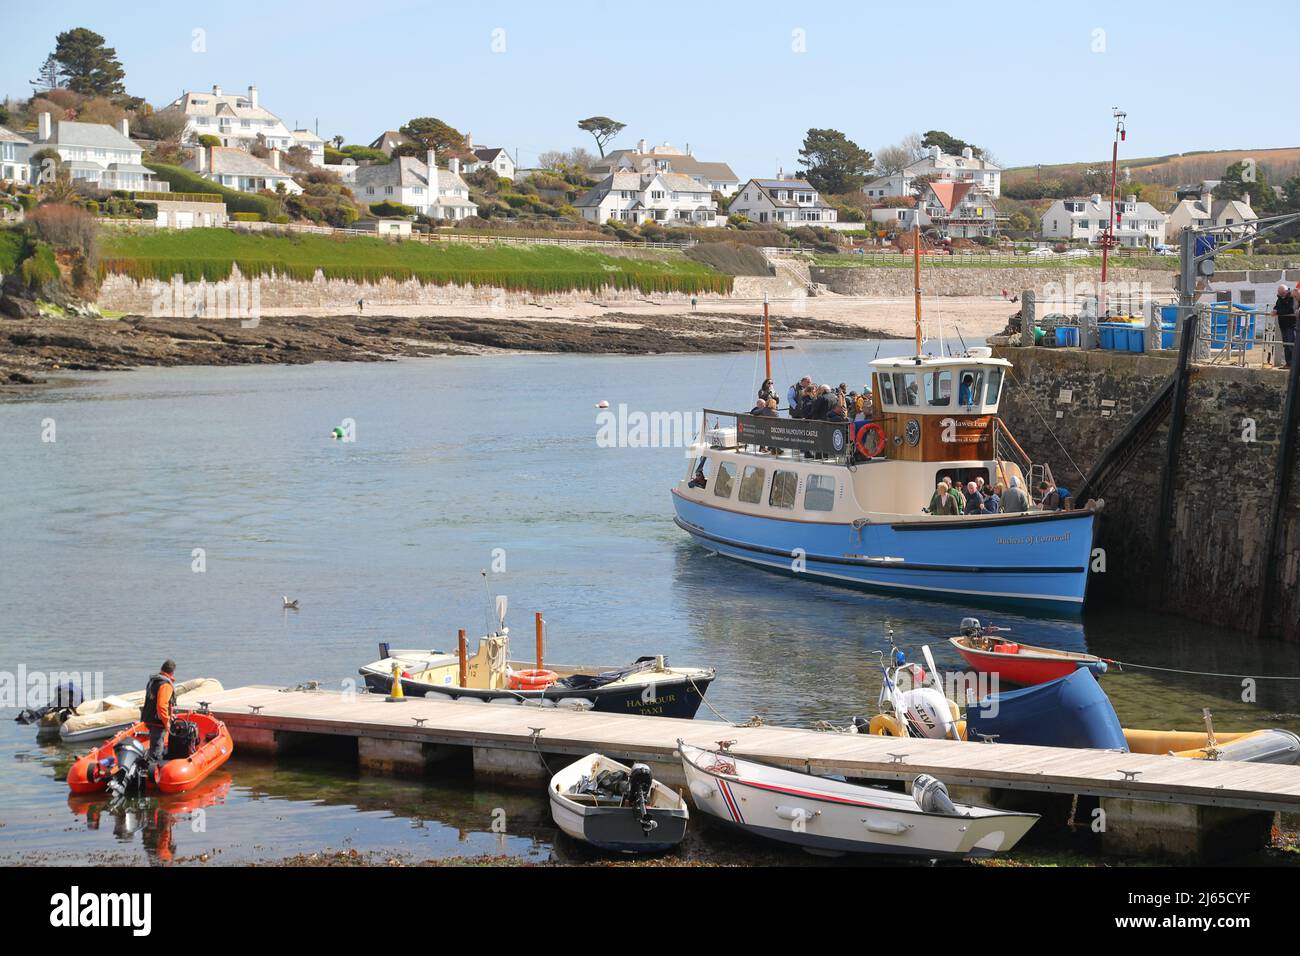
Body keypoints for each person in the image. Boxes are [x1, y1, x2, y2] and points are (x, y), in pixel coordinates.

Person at [142, 660, 177, 768]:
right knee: (157, 747)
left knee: (154, 744)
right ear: (172, 672)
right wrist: (166, 722)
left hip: (148, 718)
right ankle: (153, 770)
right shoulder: (166, 685)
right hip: (158, 721)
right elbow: (161, 705)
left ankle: (148, 765)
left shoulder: (153, 681)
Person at [1274, 284, 1296, 369]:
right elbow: (1277, 305)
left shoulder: (1292, 298)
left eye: (1282, 293)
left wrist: (1277, 312)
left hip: (1291, 325)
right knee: (1286, 345)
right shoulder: (1279, 298)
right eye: (1279, 293)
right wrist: (1275, 309)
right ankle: (1288, 363)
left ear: (1286, 291)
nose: (1281, 295)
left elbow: (1290, 309)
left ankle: (1293, 364)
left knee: (1291, 345)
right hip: (1283, 325)